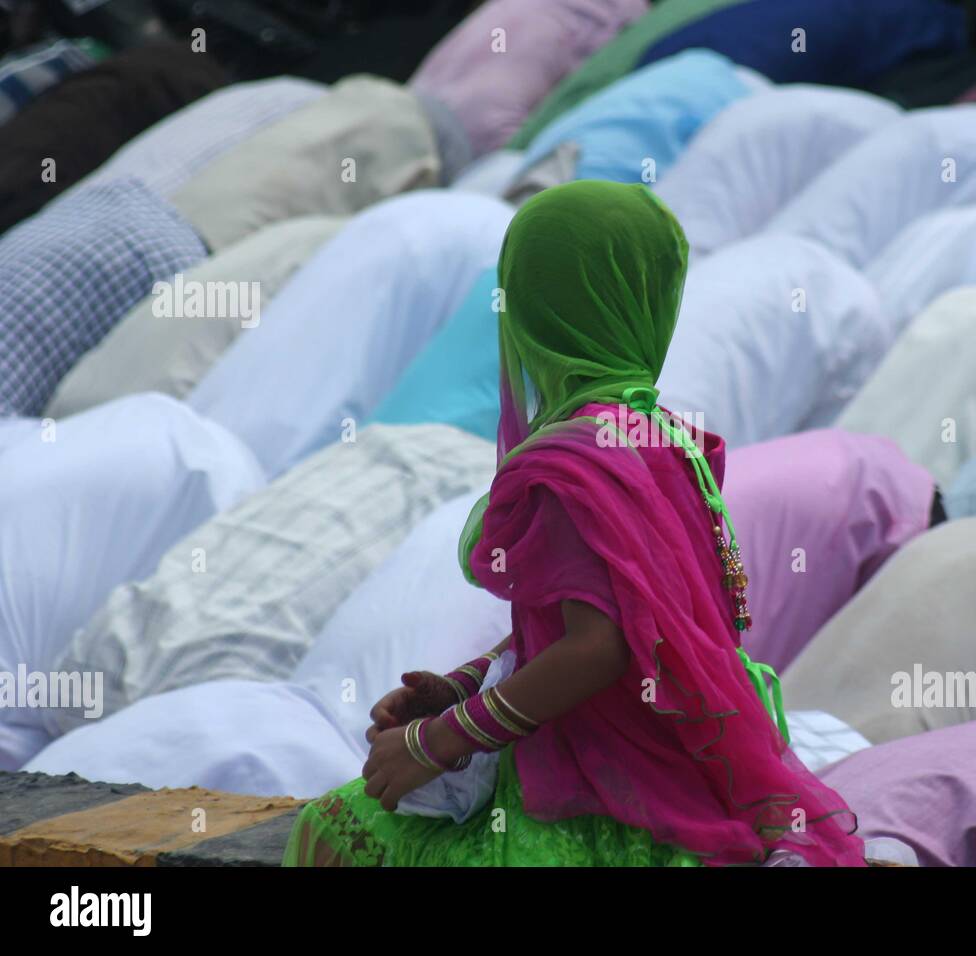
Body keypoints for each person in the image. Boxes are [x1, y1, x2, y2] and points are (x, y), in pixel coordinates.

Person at [282, 181, 865, 867]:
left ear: (530, 310)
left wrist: (438, 743)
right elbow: (619, 621)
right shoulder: (661, 439)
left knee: (330, 830)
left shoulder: (574, 455)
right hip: (686, 769)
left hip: (603, 795)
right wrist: (467, 686)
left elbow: (600, 647)